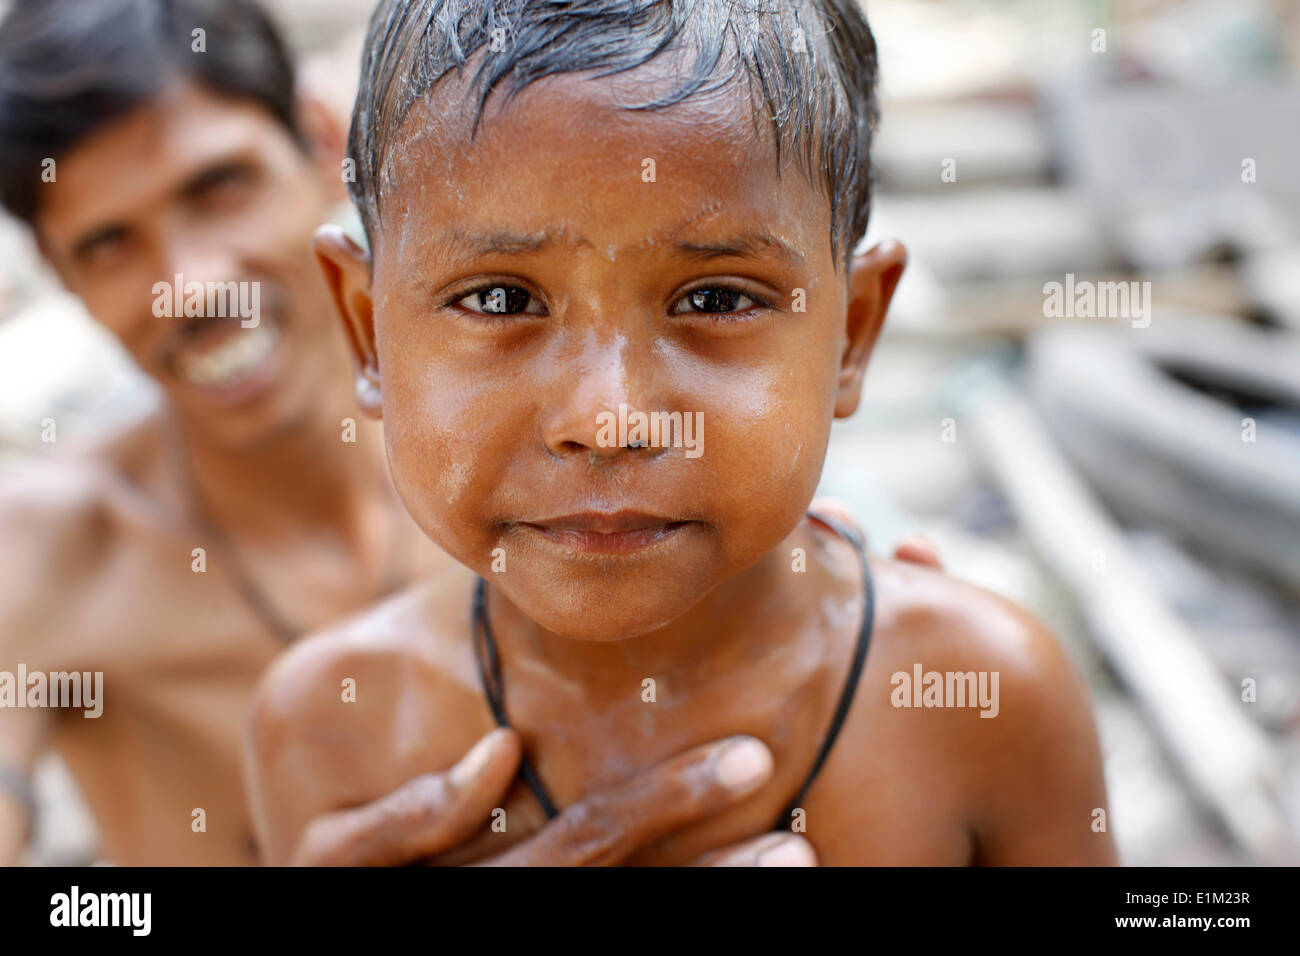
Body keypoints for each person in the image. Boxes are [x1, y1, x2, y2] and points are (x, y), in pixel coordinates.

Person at [0, 0, 938, 867]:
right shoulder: (41, 561)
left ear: (321, 141)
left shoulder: (639, 490)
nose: (193, 285)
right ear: (55, 270)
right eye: (107, 243)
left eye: (218, 187)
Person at [247, 0, 1117, 865]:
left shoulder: (981, 699)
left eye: (716, 298)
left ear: (851, 335)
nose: (608, 420)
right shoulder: (333, 729)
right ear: (366, 330)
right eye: (500, 298)